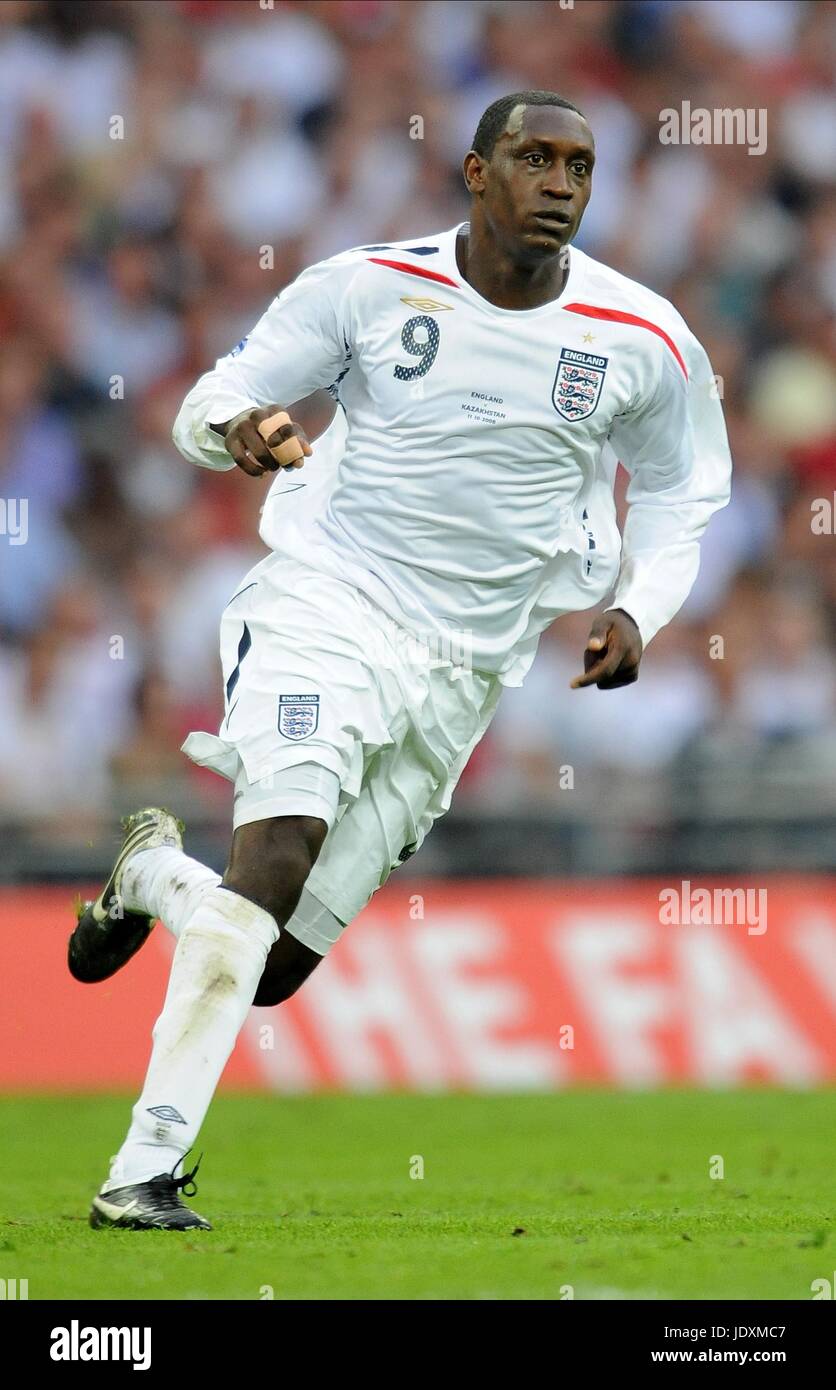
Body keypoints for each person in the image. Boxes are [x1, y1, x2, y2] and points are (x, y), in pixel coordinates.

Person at [68, 91, 731, 1230]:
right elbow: (218, 391)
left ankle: (149, 874)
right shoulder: (368, 287)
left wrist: (641, 609)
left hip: (460, 673)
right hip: (328, 598)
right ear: (475, 174)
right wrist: (241, 430)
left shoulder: (645, 339)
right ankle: (143, 1172)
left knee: (265, 963)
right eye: (533, 158)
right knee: (274, 855)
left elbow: (683, 488)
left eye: (579, 164)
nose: (559, 182)